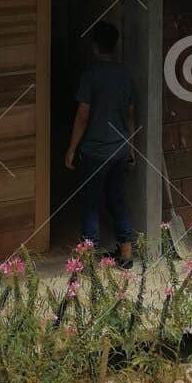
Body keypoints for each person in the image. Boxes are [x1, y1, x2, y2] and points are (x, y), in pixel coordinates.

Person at [65, 21, 137, 269]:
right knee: (117, 198)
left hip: (95, 151)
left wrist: (72, 148)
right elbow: (130, 114)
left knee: (90, 202)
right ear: (114, 46)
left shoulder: (90, 76)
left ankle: (89, 258)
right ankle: (126, 254)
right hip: (119, 150)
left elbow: (82, 115)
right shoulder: (124, 75)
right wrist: (131, 148)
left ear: (95, 47)